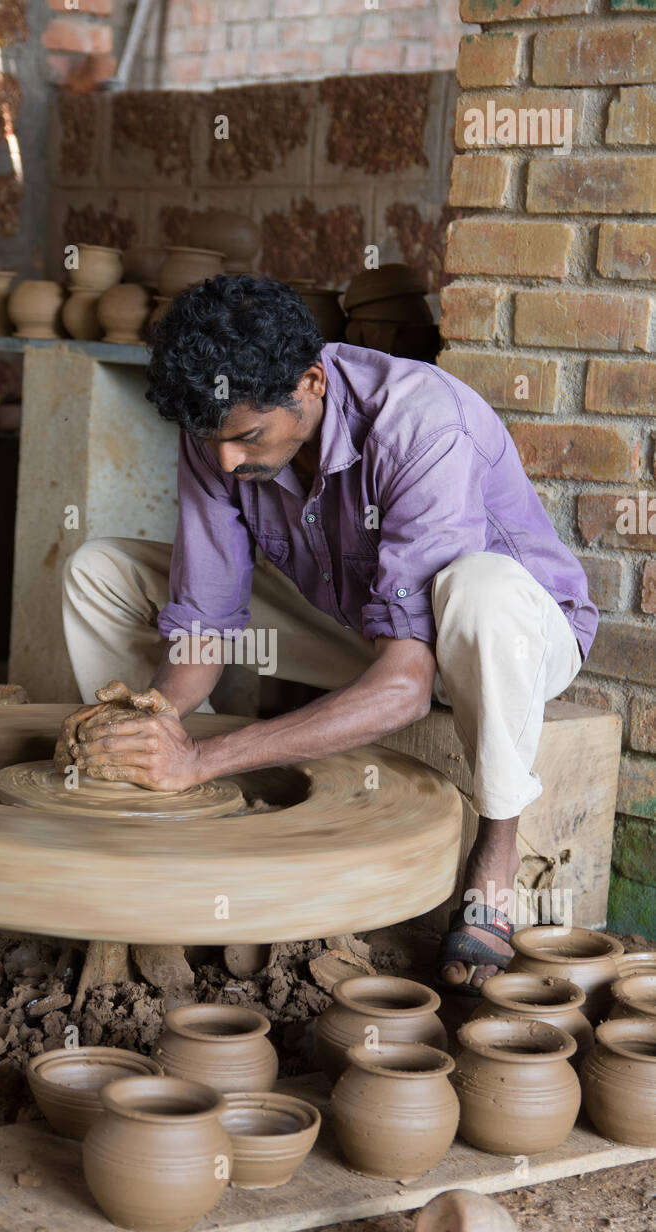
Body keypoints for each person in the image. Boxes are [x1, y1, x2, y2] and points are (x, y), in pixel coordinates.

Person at [59, 275, 597, 995]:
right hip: (362, 625)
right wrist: (153, 717)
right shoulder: (221, 433)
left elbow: (408, 684)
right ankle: (149, 794)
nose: (227, 462)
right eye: (212, 442)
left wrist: (205, 759)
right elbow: (206, 620)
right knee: (100, 569)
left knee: (481, 591)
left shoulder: (422, 420)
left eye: (249, 437)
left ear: (311, 381)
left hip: (502, 637)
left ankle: (496, 847)